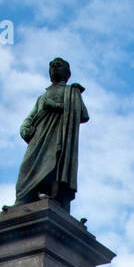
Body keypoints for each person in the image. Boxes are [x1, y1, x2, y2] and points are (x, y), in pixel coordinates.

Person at [15, 58, 88, 209]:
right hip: (39, 137)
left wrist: (55, 106)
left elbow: (83, 115)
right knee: (26, 166)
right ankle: (22, 201)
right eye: (52, 66)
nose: (54, 67)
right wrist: (25, 125)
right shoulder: (41, 97)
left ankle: (51, 196)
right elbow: (32, 115)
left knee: (52, 167)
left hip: (58, 137)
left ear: (67, 73)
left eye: (58, 65)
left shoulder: (71, 92)